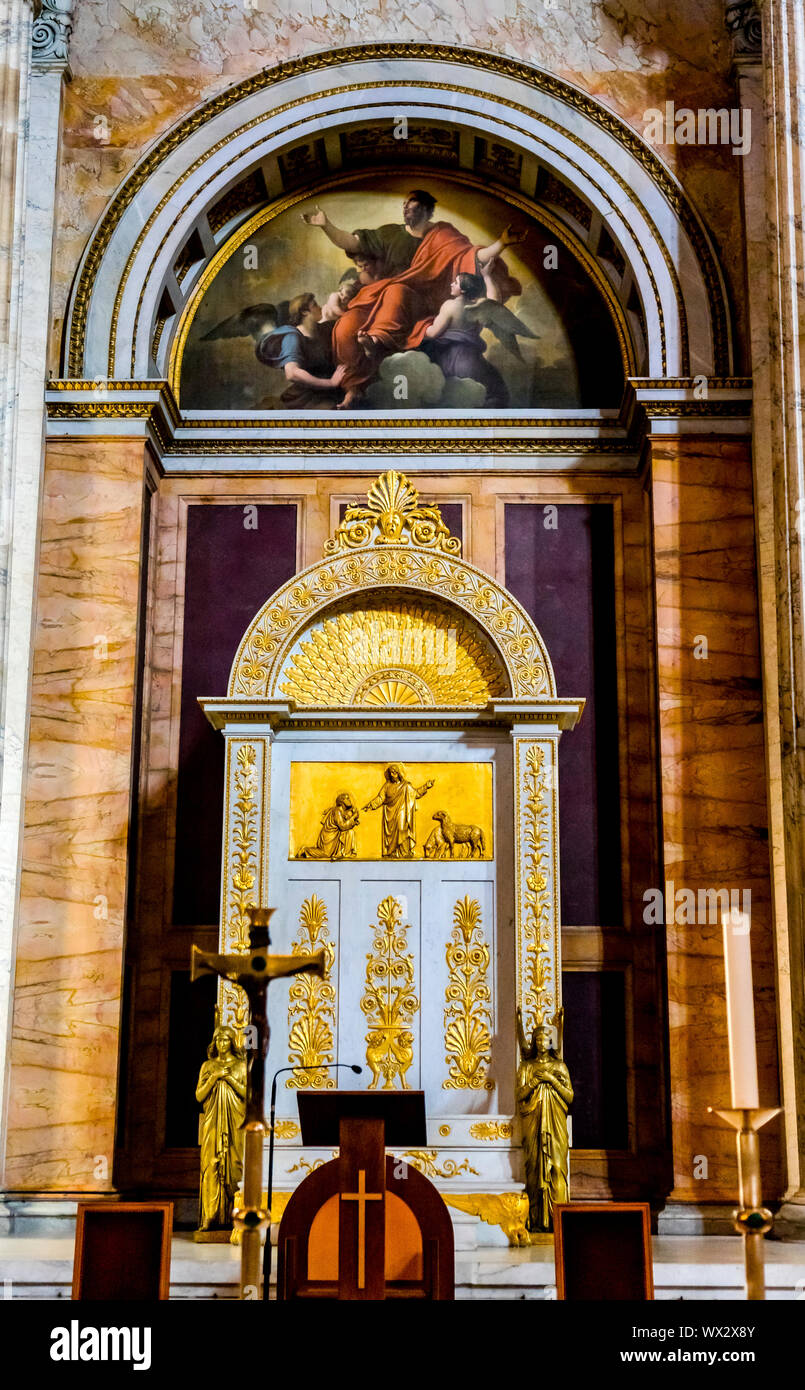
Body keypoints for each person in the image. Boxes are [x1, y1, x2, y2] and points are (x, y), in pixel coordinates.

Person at [304, 191, 525, 406]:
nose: (406, 209)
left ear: (428, 211)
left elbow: (472, 257)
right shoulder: (390, 233)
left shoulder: (444, 236)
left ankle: (377, 342)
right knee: (346, 326)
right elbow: (351, 243)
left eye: (414, 205)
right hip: (380, 297)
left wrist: (501, 243)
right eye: (405, 205)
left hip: (421, 304)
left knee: (397, 291)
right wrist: (326, 225)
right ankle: (353, 387)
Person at [515, 1006, 573, 1233]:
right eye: (537, 1038)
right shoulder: (526, 1067)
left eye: (545, 1038)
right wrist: (534, 1082)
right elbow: (519, 1095)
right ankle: (536, 1220)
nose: (541, 1042)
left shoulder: (559, 1066)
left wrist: (551, 1079)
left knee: (557, 1167)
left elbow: (569, 1096)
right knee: (533, 1169)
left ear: (550, 1042)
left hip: (556, 1124)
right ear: (533, 1041)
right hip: (533, 1120)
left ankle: (559, 1218)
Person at [422, 270, 510, 406]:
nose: (451, 284)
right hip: (473, 361)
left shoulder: (450, 305)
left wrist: (421, 327)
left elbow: (433, 333)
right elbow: (495, 302)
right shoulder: (478, 307)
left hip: (448, 359)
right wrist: (487, 275)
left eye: (455, 282)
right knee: (493, 393)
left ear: (463, 290)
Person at [195, 1023, 248, 1232]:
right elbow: (199, 1096)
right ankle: (210, 1216)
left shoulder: (241, 1066)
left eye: (226, 1039)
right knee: (211, 1166)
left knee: (234, 1165)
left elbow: (247, 1094)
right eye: (218, 1039)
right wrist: (215, 1078)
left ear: (232, 1042)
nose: (222, 1043)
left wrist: (229, 1079)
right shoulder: (207, 1066)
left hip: (235, 1120)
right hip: (212, 1122)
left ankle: (234, 1216)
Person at [256, 291, 345, 406]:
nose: (320, 308)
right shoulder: (292, 337)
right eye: (315, 305)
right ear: (304, 312)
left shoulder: (323, 329)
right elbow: (292, 373)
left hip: (332, 390)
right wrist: (330, 382)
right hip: (307, 395)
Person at [362, 762, 435, 858]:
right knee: (391, 836)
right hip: (389, 814)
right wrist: (371, 805)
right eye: (391, 773)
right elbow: (380, 798)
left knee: (402, 829)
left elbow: (416, 794)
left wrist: (426, 786)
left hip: (402, 812)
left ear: (399, 773)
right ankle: (392, 853)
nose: (392, 775)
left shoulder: (406, 786)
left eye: (394, 772)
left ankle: (404, 853)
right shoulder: (387, 786)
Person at [297, 792, 360, 859]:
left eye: (349, 798)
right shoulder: (337, 811)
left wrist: (353, 820)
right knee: (325, 854)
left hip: (335, 836)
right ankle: (305, 850)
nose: (349, 800)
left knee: (350, 832)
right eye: (347, 798)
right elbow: (343, 826)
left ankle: (345, 853)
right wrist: (353, 817)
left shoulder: (342, 811)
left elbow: (345, 823)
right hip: (329, 836)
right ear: (342, 801)